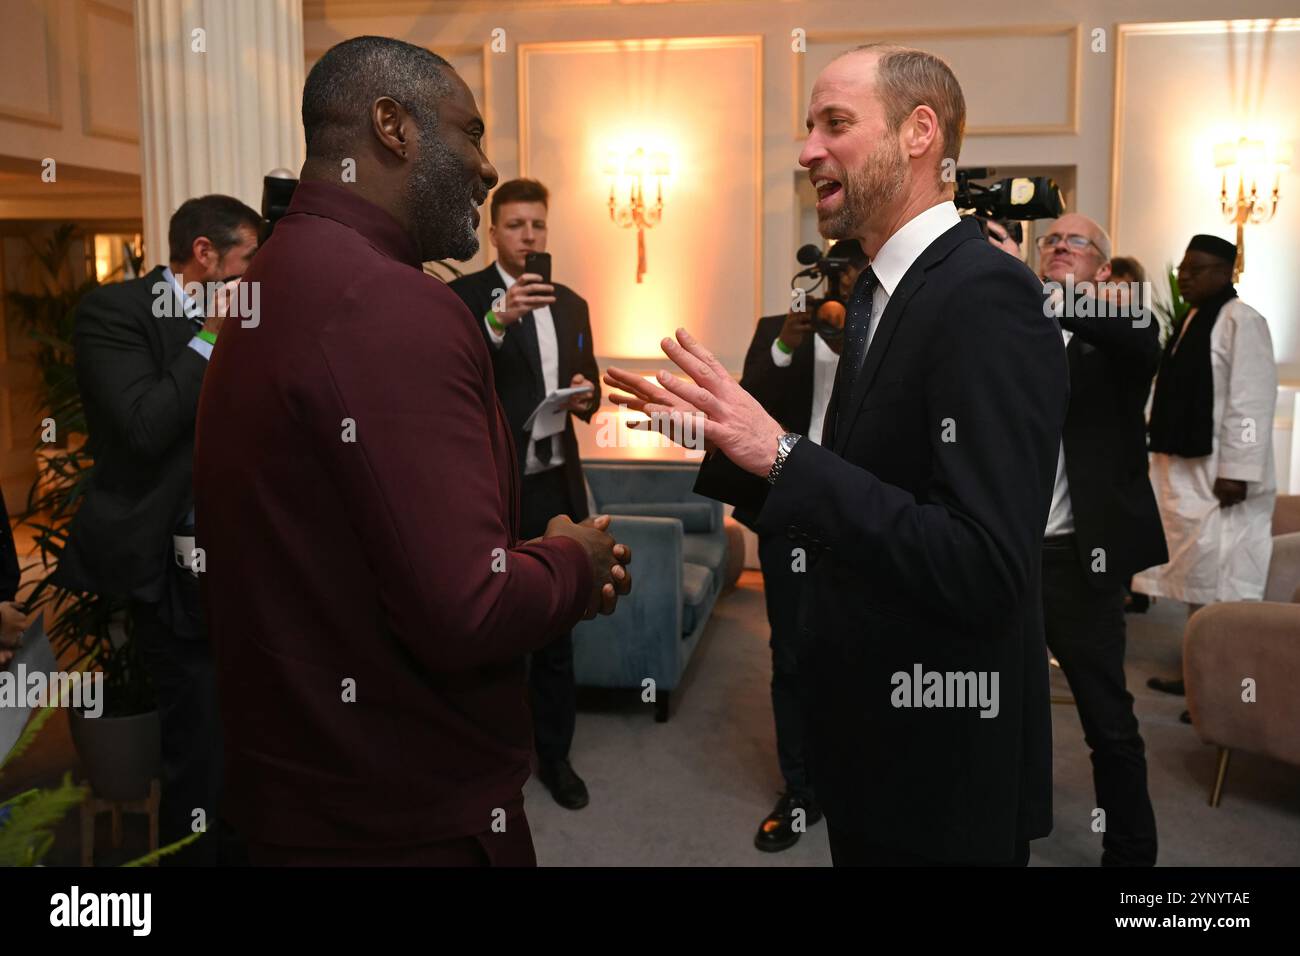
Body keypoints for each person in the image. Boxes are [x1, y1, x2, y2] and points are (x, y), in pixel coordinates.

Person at [606, 43, 1066, 866]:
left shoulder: (984, 293)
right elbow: (860, 491)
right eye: (807, 126)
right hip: (869, 735)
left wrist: (781, 453)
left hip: (940, 762)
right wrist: (728, 447)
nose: (807, 149)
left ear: (920, 132)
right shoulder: (876, 297)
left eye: (835, 124)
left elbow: (985, 563)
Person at [193, 36, 630, 867]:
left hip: (293, 797)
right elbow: (467, 608)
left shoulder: (259, 285)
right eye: (469, 132)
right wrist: (575, 559)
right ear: (392, 126)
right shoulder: (396, 305)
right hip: (410, 815)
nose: (488, 166)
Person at [56, 193, 260, 866]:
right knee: (196, 744)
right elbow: (144, 428)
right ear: (205, 255)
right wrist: (210, 335)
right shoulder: (114, 314)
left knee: (248, 736)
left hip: (248, 562)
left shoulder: (252, 317)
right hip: (167, 569)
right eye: (248, 260)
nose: (257, 277)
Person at [449, 178, 600, 810]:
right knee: (496, 621)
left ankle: (556, 758)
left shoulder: (571, 302)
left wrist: (587, 394)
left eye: (538, 224)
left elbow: (587, 383)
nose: (529, 236)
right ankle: (493, 754)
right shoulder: (461, 299)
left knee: (559, 622)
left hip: (557, 483)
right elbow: (449, 376)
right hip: (494, 489)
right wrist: (494, 322)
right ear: (494, 231)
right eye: (516, 225)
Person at [1036, 212, 1164, 865]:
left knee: (1107, 721)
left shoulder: (1124, 331)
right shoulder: (1014, 334)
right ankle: (1012, 828)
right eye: (1049, 240)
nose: (1059, 246)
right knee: (1002, 708)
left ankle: (1131, 855)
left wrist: (1052, 297)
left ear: (1103, 270)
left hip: (1081, 564)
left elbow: (1145, 337)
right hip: (1006, 556)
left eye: (1074, 241)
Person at [735, 238, 863, 851]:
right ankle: (801, 789)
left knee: (863, 655)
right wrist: (789, 340)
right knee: (791, 657)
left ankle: (857, 778)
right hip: (791, 514)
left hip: (867, 517)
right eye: (831, 275)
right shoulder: (777, 328)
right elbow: (747, 403)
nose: (837, 287)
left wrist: (850, 333)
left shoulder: (889, 325)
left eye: (851, 272)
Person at [1137, 235, 1277, 707]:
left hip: (1225, 476)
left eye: (1197, 269)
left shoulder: (1243, 321)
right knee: (1202, 580)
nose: (1185, 277)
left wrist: (1238, 470)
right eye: (1182, 268)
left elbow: (1252, 401)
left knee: (1227, 586)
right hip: (1190, 472)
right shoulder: (1192, 319)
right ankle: (1200, 675)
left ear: (1226, 272)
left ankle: (1228, 690)